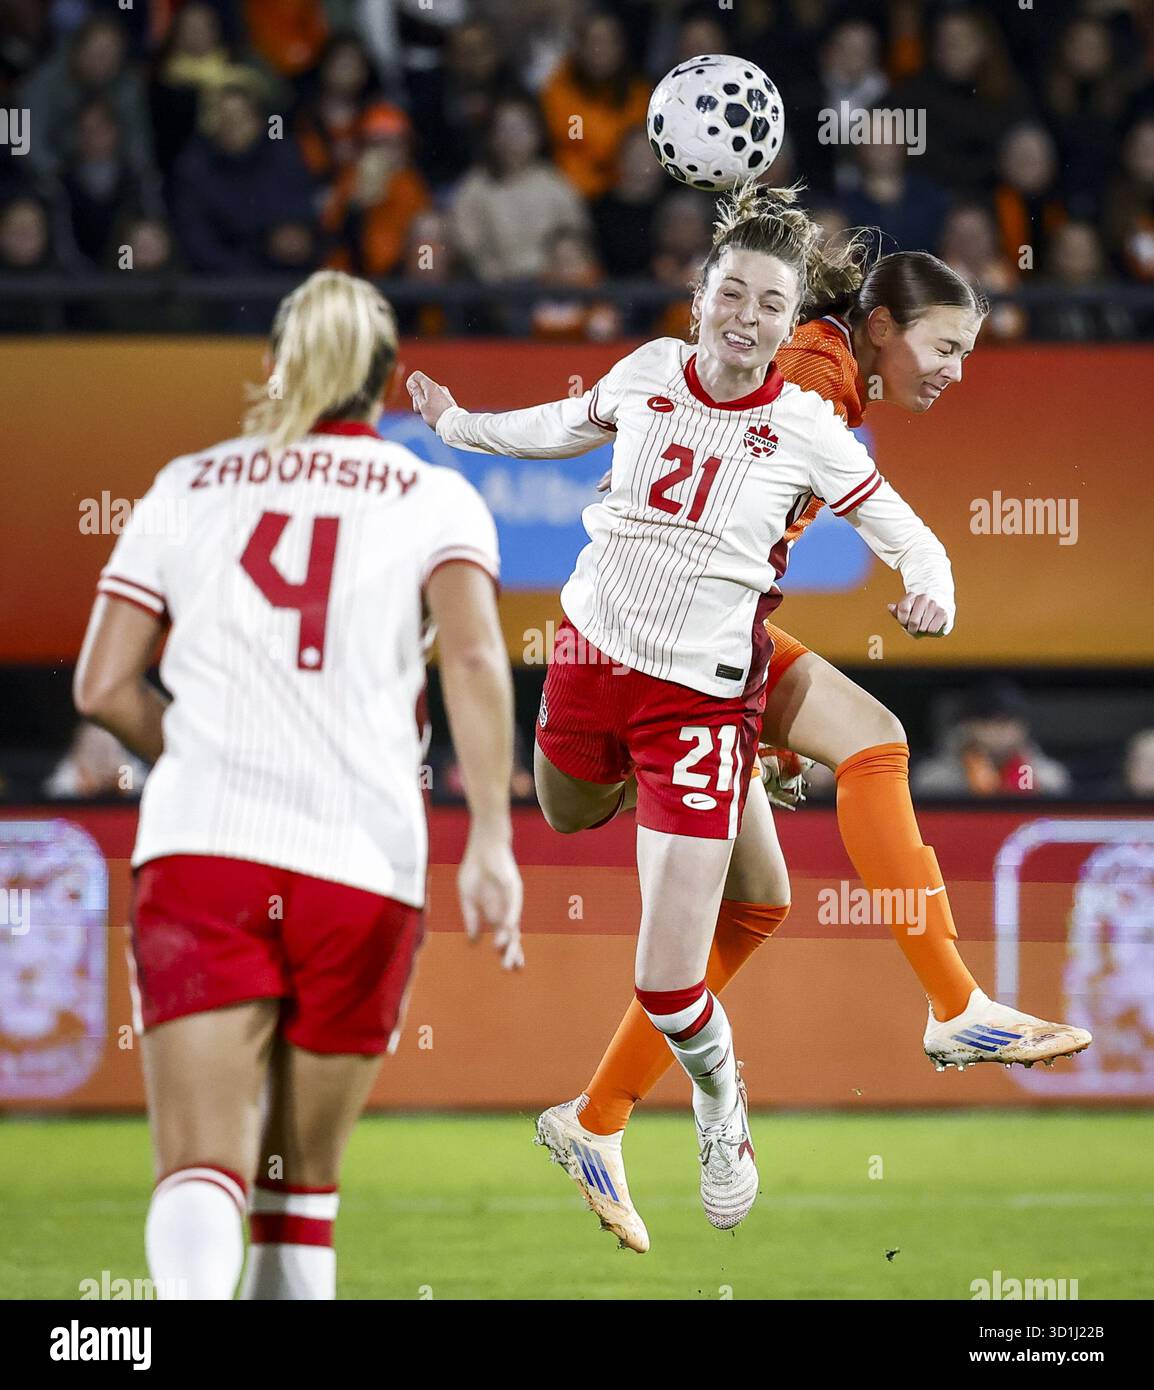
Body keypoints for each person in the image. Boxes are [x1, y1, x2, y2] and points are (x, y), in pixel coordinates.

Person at [412, 196, 1092, 1254]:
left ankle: (608, 1115)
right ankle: (938, 1007)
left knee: (769, 889)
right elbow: (685, 490)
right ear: (876, 325)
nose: (955, 368)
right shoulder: (807, 383)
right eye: (944, 344)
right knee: (853, 753)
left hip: (700, 672)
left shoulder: (822, 392)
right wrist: (459, 427)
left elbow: (804, 531)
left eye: (766, 300)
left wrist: (926, 579)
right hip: (640, 652)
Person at [73, 270, 523, 1300]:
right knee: (298, 1196)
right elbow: (473, 662)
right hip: (361, 861)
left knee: (201, 1170)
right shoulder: (434, 496)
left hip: (203, 850)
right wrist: (491, 836)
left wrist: (194, 741)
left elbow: (102, 683)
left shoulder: (189, 483)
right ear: (386, 381)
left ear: (275, 367)